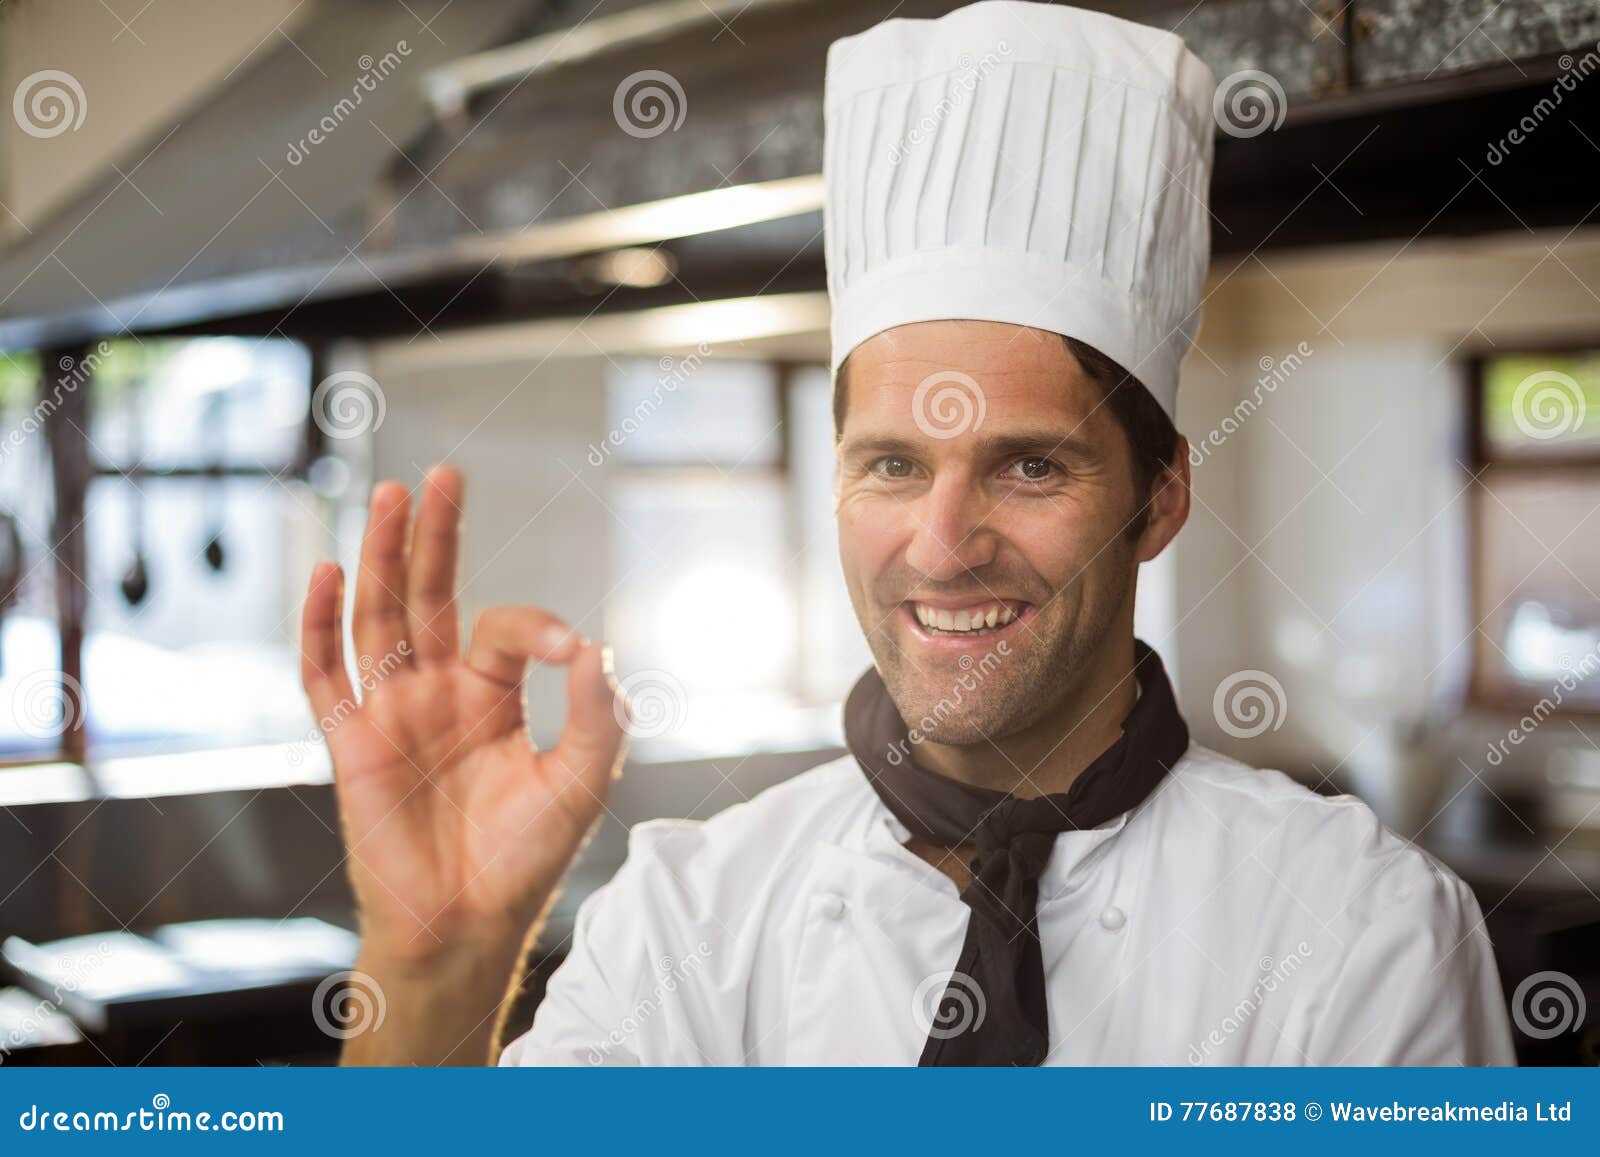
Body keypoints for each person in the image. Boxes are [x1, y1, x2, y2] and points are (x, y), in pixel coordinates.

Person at [298, 2, 1516, 1066]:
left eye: (1028, 465)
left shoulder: (1355, 929)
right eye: (892, 463)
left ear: (1159, 498)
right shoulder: (688, 916)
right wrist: (436, 959)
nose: (942, 543)